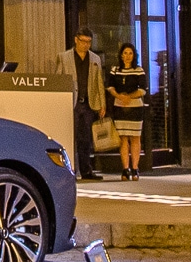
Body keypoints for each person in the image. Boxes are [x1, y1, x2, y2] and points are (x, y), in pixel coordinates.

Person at [49, 28, 108, 180]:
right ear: (76, 40)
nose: (86, 45)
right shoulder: (64, 57)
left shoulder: (95, 59)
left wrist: (102, 104)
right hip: (71, 103)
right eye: (83, 41)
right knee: (70, 137)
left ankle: (86, 170)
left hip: (88, 103)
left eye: (88, 42)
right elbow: (58, 79)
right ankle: (71, 171)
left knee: (86, 139)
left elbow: (99, 83)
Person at [108, 43, 149, 180]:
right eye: (125, 53)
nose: (127, 56)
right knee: (123, 138)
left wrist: (129, 97)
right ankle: (125, 169)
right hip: (119, 107)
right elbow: (110, 86)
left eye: (130, 53)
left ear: (134, 55)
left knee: (135, 137)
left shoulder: (139, 70)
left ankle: (135, 168)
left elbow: (143, 89)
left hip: (135, 107)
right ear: (121, 55)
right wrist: (119, 96)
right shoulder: (115, 70)